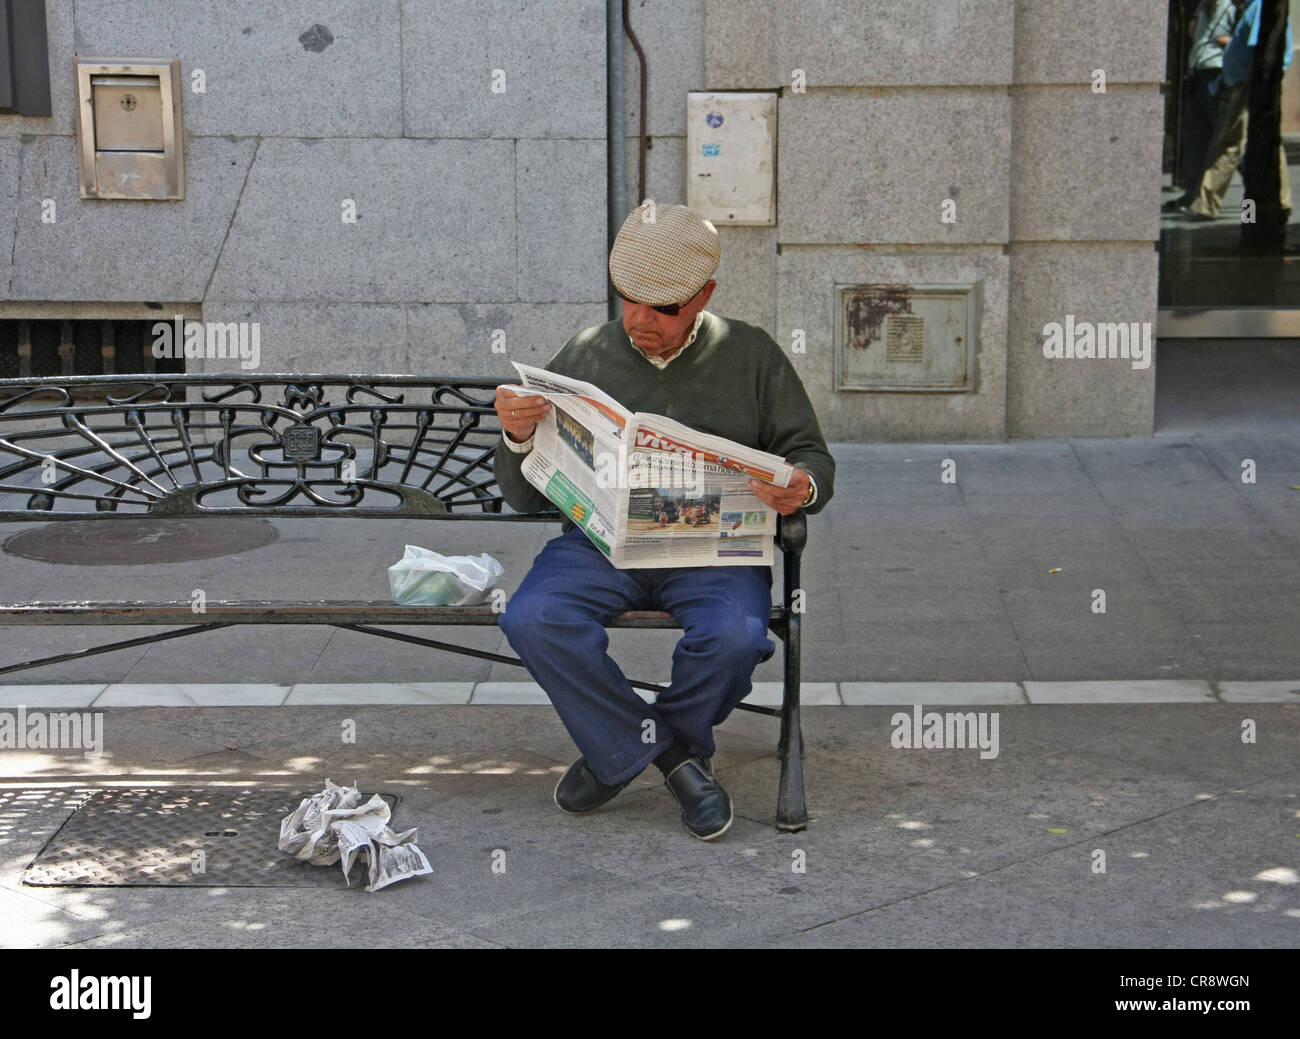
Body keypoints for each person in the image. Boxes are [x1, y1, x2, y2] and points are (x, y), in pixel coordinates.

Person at [492, 202, 835, 840]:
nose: (640, 320)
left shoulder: (751, 354)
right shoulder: (587, 353)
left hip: (711, 549)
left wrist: (801, 486)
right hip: (599, 545)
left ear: (704, 295)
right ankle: (676, 758)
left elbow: (810, 456)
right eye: (628, 299)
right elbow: (521, 497)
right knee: (532, 618)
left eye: (663, 307)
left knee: (735, 637)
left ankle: (622, 751)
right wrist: (516, 437)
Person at [1186, 0, 1292, 220]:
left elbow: (1259, 53)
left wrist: (1250, 89)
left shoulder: (1260, 7)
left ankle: (1208, 206)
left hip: (1247, 86)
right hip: (1243, 84)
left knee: (1230, 143)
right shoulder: (1252, 8)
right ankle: (1279, 201)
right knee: (1246, 143)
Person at [1164, 0, 1237, 211]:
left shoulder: (1232, 7)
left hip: (1218, 74)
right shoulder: (1203, 8)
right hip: (1198, 73)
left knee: (1226, 138)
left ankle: (1256, 193)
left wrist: (1227, 42)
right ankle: (1193, 193)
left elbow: (1246, 41)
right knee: (1195, 137)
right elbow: (1192, 33)